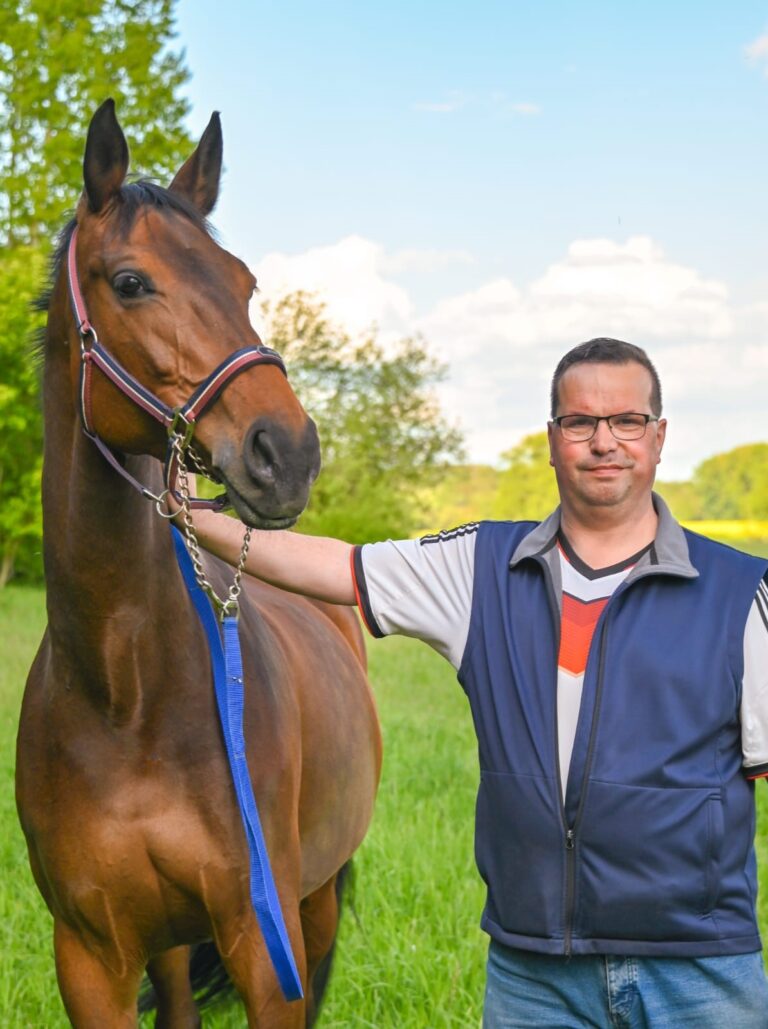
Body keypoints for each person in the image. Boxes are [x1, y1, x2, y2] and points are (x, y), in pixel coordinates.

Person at [182, 338, 768, 1027]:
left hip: (698, 970)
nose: (604, 440)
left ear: (659, 436)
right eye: (580, 422)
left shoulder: (742, 594)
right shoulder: (480, 567)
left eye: (627, 421)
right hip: (535, 974)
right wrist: (197, 519)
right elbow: (338, 567)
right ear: (552, 440)